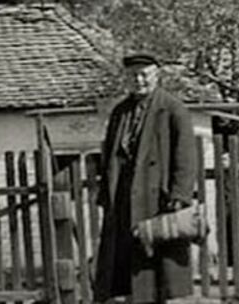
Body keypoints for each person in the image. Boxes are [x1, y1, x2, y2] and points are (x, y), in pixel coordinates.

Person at [94, 52, 196, 304]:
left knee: (157, 271)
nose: (139, 80)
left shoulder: (173, 109)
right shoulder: (120, 111)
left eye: (144, 75)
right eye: (133, 76)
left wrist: (179, 195)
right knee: (126, 271)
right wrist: (106, 194)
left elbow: (185, 157)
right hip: (124, 199)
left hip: (157, 200)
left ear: (156, 75)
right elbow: (110, 155)